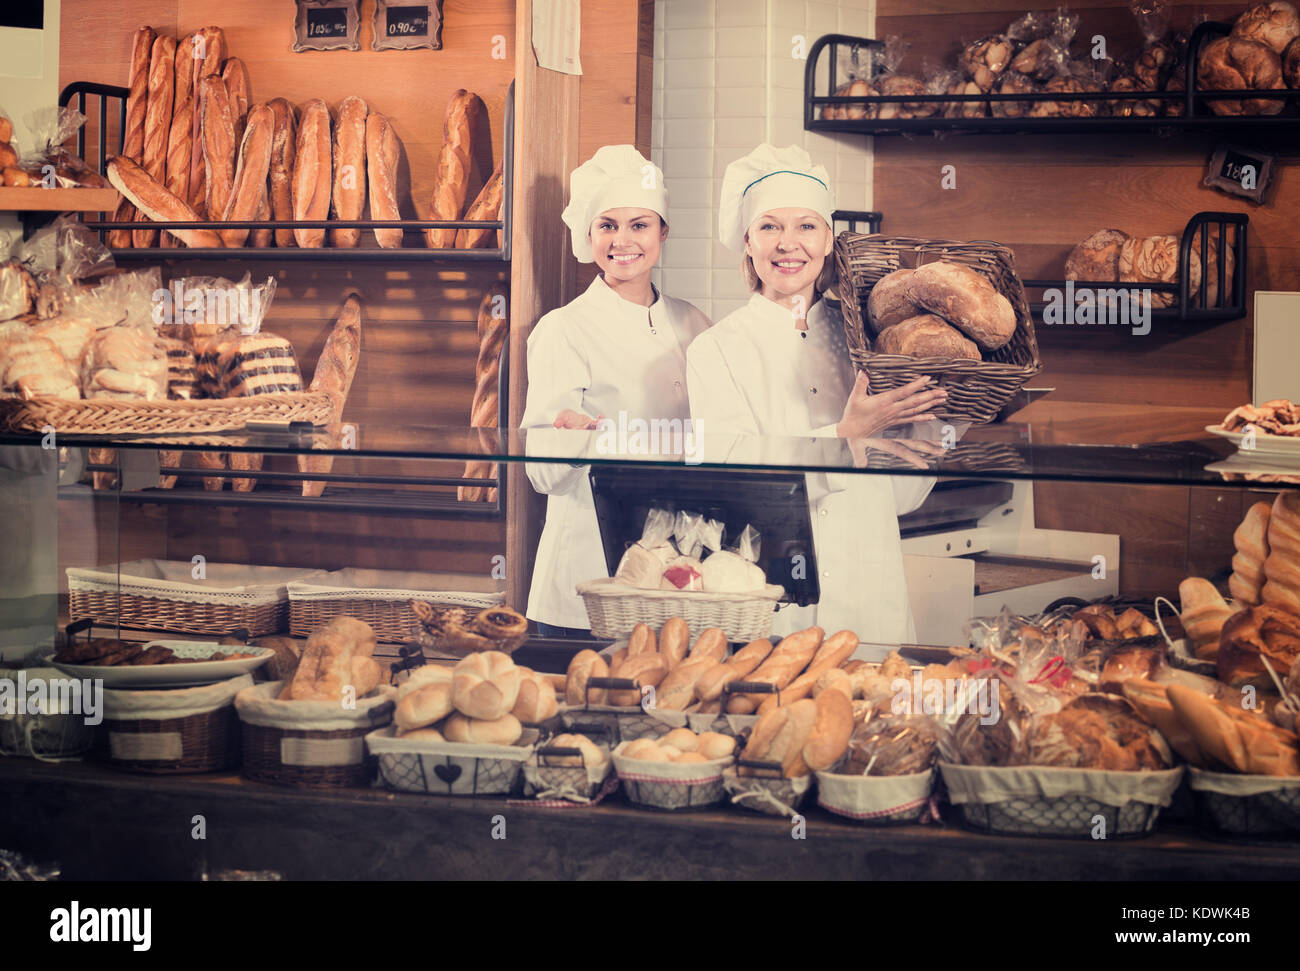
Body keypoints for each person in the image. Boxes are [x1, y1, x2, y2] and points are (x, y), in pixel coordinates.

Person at [687, 143, 949, 650]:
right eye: (769, 227)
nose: (789, 244)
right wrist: (843, 436)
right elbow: (732, 484)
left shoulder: (870, 339)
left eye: (806, 226)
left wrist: (935, 415)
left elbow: (900, 496)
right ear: (747, 241)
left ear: (829, 240)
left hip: (870, 591)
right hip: (775, 602)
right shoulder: (715, 349)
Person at [521, 145, 711, 638]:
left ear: (663, 232)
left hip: (672, 576)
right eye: (607, 225)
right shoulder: (564, 329)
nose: (622, 240)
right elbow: (540, 471)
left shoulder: (694, 325)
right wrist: (583, 439)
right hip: (583, 580)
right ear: (589, 235)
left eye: (639, 225)